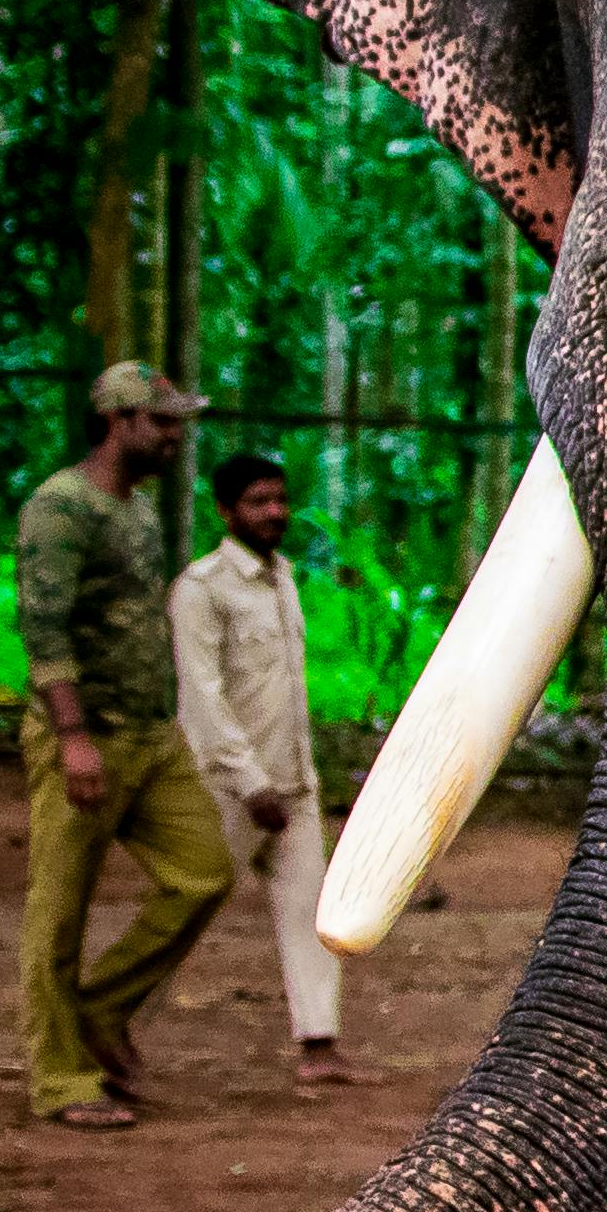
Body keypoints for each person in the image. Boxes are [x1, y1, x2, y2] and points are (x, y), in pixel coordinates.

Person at [13, 361, 233, 1131]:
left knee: (203, 873)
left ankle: (102, 1010)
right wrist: (72, 737)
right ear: (117, 420)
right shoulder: (60, 507)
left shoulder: (137, 510)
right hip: (88, 737)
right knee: (59, 909)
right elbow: (44, 628)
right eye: (162, 421)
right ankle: (60, 1075)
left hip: (151, 736)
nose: (175, 436)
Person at [173, 448, 369, 1097]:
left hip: (294, 785)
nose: (275, 512)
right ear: (225, 511)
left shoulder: (283, 577)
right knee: (184, 907)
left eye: (279, 498)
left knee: (312, 912)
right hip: (232, 788)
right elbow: (201, 695)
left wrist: (289, 779)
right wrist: (248, 778)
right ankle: (112, 1024)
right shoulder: (201, 588)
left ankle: (319, 1041)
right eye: (258, 501)